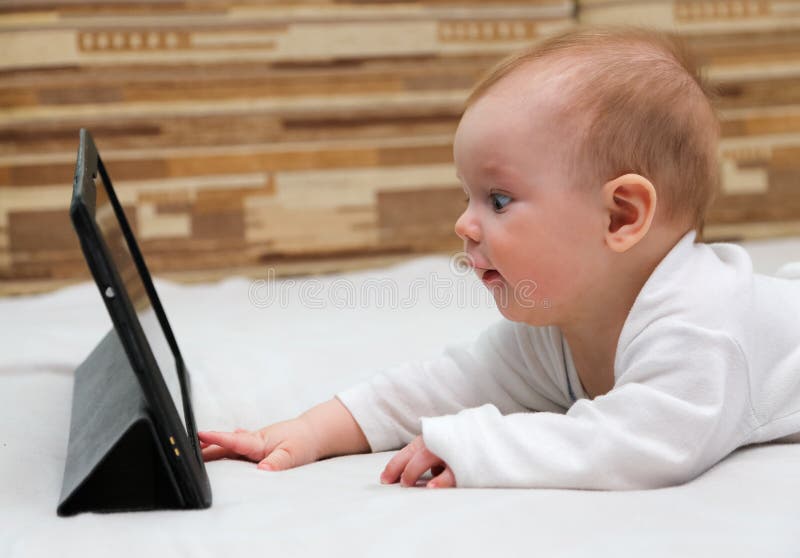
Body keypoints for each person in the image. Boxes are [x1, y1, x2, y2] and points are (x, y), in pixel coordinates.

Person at [198, 25, 800, 490]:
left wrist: (478, 447)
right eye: (469, 197)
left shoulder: (700, 328)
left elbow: (643, 444)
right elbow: (447, 383)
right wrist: (308, 432)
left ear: (620, 217)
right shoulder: (566, 324)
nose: (464, 223)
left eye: (500, 199)